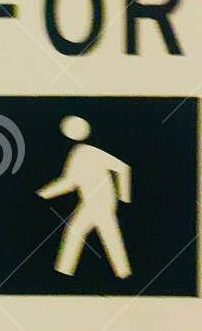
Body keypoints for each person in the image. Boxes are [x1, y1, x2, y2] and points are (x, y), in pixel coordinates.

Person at [37, 114, 132, 280]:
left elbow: (123, 168)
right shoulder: (81, 152)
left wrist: (125, 199)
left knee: (83, 234)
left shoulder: (82, 152)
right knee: (93, 234)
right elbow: (70, 182)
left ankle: (64, 273)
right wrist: (44, 194)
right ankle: (123, 274)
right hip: (94, 202)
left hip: (98, 202)